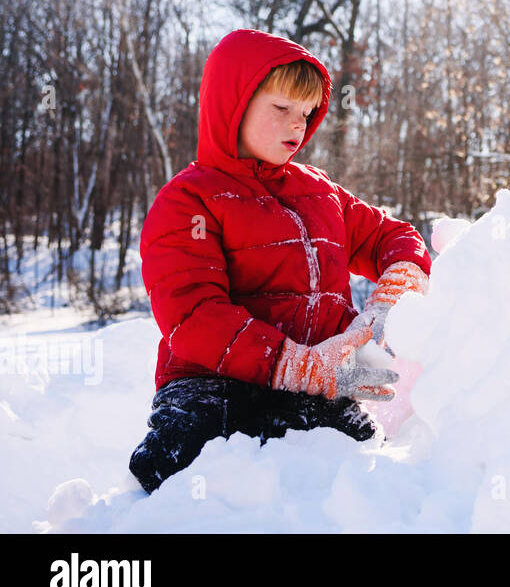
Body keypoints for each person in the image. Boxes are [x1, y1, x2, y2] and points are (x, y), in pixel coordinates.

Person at [127, 28, 431, 494]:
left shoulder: (321, 192)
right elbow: (192, 313)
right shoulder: (189, 200)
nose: (298, 125)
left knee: (359, 465)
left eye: (307, 113)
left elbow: (395, 237)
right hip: (213, 383)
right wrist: (295, 364)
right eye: (282, 108)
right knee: (187, 463)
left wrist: (393, 294)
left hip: (320, 385)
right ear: (234, 103)